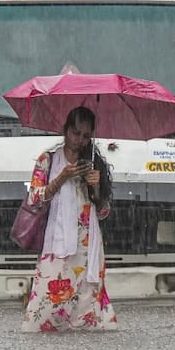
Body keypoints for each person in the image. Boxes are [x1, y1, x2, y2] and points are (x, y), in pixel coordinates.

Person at [20, 106, 117, 332]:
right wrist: (62, 177)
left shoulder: (92, 163)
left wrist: (96, 188)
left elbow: (103, 212)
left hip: (87, 245)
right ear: (65, 131)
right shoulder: (48, 160)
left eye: (86, 136)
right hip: (56, 243)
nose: (79, 140)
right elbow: (34, 198)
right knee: (45, 303)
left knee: (86, 303)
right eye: (75, 133)